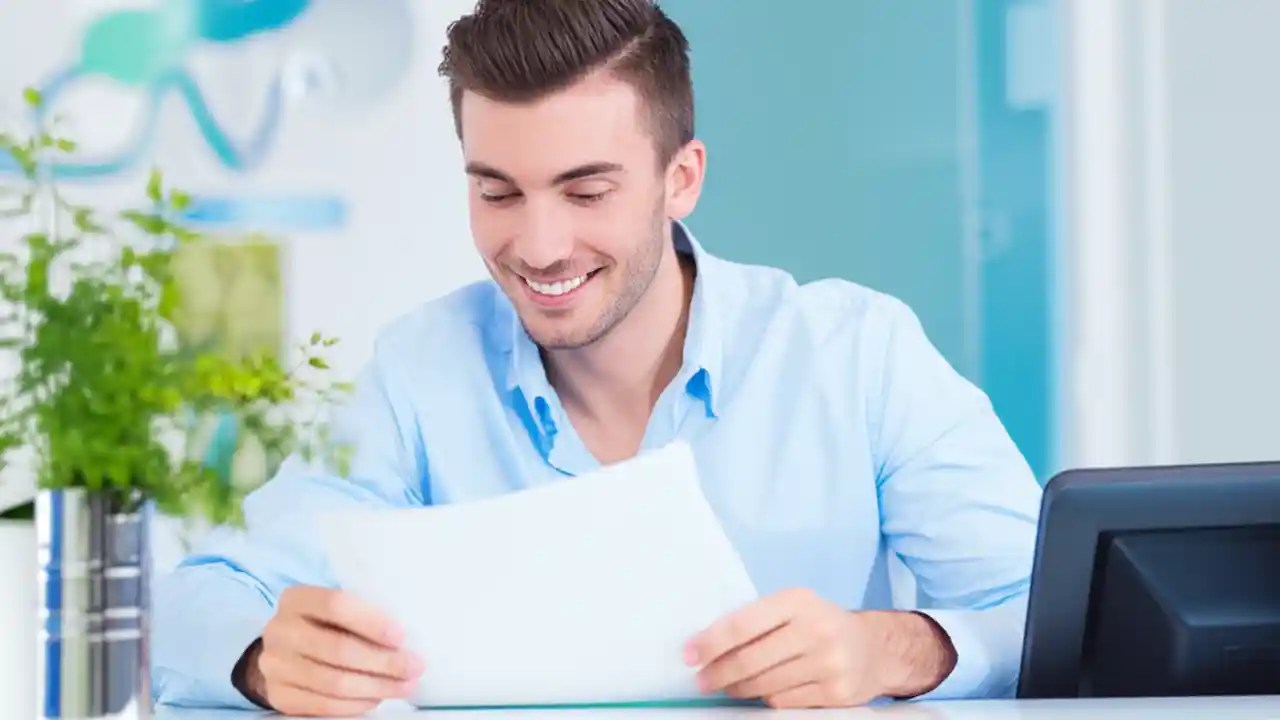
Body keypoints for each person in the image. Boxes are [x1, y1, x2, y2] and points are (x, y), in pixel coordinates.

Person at [152, 0, 1043, 714]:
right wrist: (264, 660)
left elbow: (1054, 611)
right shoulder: (418, 373)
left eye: (586, 192)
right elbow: (198, 602)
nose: (539, 247)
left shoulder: (855, 356)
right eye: (498, 193)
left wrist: (891, 649)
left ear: (681, 178)